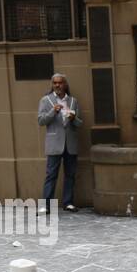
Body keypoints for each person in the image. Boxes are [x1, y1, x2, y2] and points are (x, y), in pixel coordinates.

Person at [38, 72, 83, 212]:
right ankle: (46, 206)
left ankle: (68, 202)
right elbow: (41, 121)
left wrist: (72, 119)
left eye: (60, 82)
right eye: (55, 83)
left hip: (70, 144)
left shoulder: (73, 101)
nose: (57, 85)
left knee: (70, 174)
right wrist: (53, 111)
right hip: (54, 144)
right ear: (52, 85)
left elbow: (79, 123)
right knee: (51, 175)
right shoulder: (46, 100)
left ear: (65, 85)